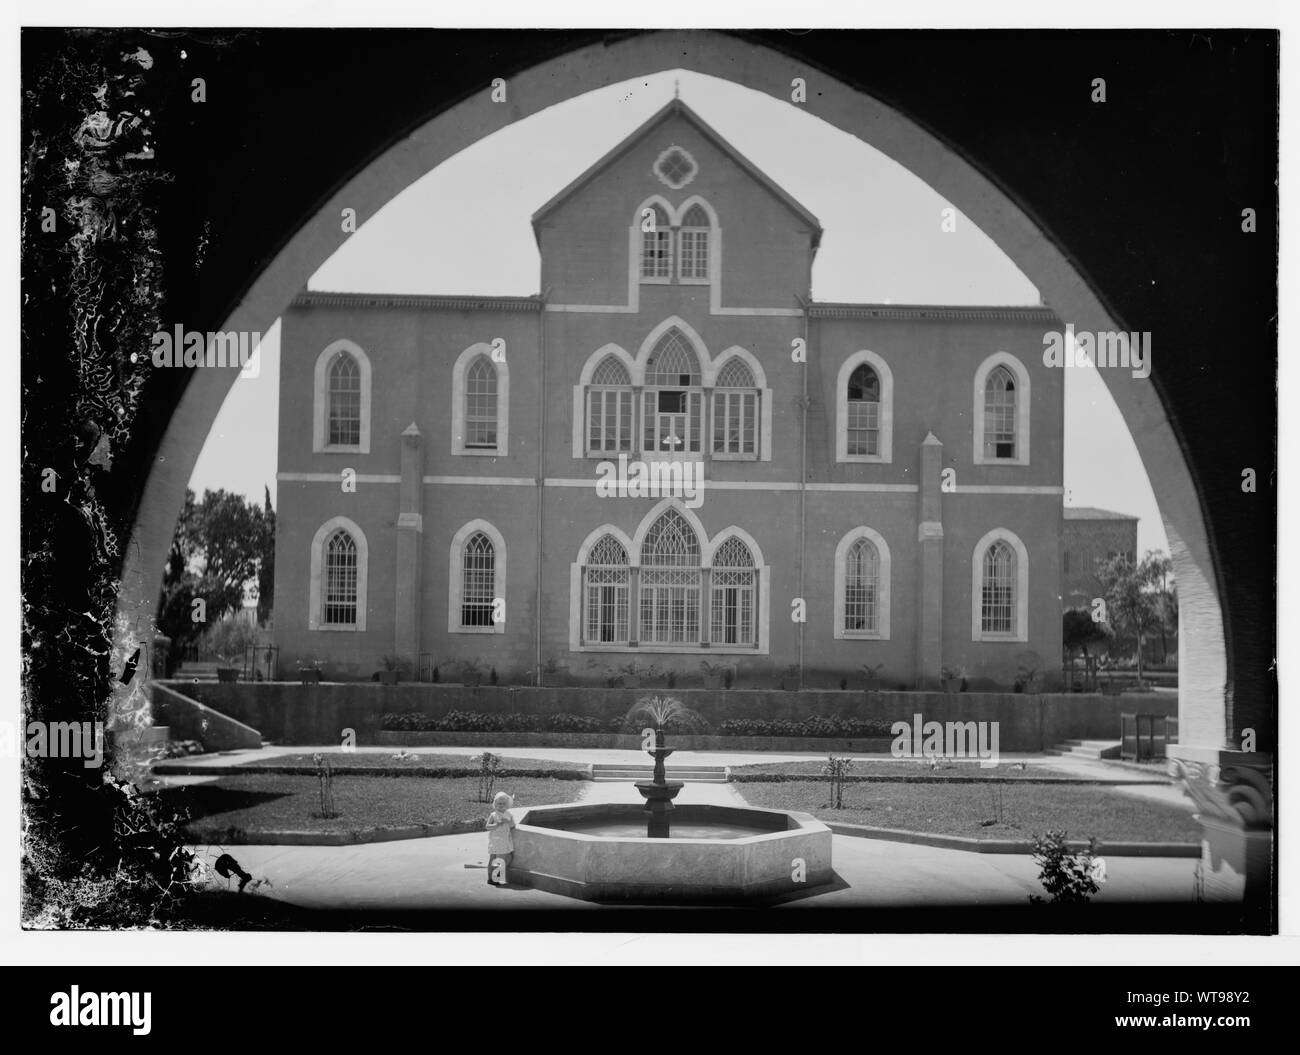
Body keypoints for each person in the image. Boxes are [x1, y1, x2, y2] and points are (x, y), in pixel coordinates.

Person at [485, 791, 516, 886]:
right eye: (499, 803)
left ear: (507, 805)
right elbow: (487, 827)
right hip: (496, 840)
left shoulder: (509, 815)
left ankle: (493, 878)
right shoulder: (493, 815)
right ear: (495, 804)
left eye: (503, 804)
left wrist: (508, 822)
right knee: (496, 859)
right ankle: (493, 878)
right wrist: (496, 824)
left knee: (500, 859)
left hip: (503, 840)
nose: (501, 805)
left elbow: (513, 826)